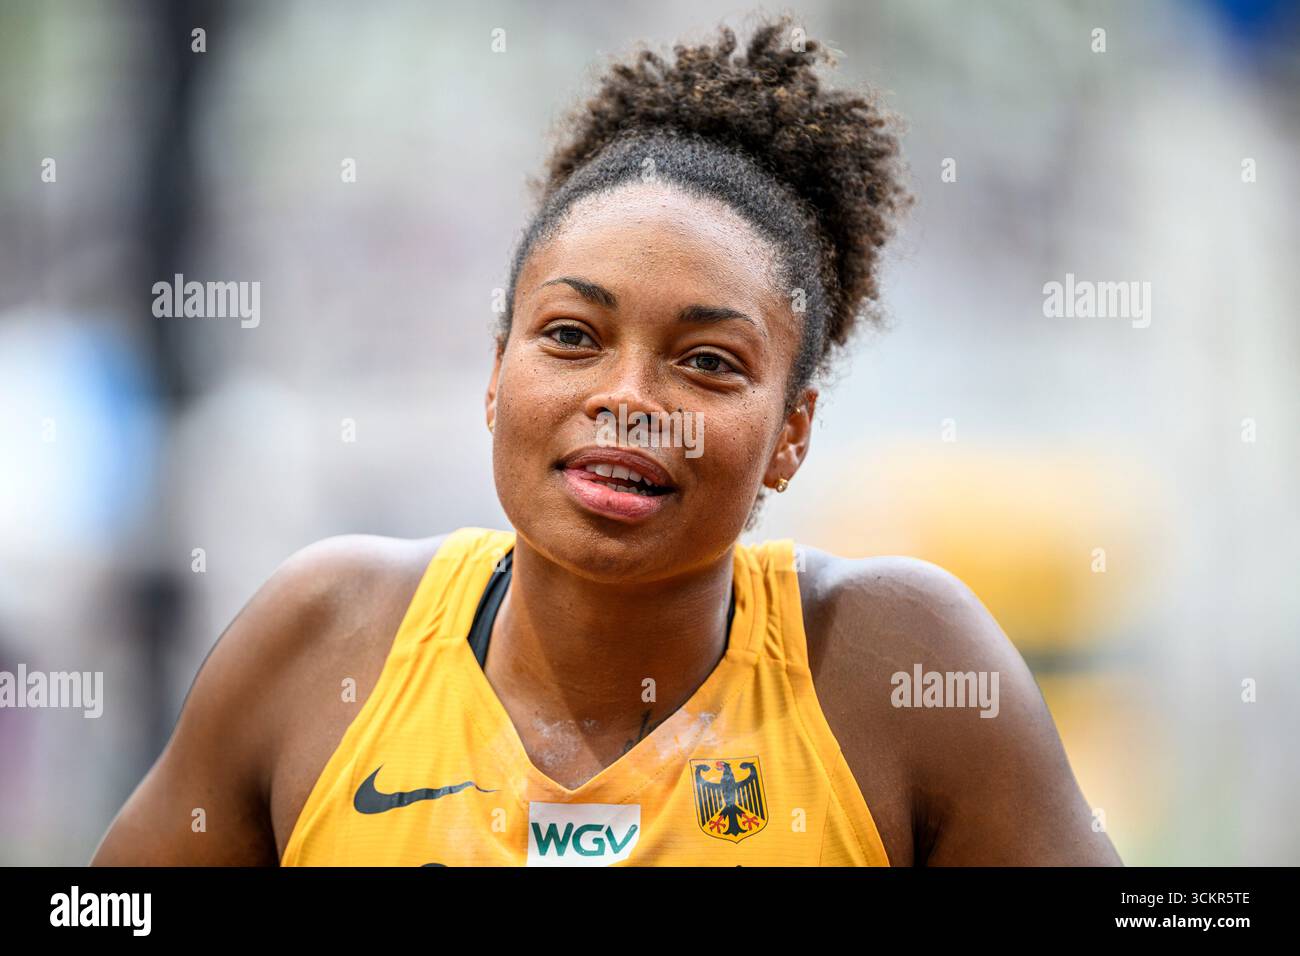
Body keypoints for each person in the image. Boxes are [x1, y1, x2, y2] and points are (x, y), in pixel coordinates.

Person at [92, 17, 1121, 866]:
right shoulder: (324, 642)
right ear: (497, 373)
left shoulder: (895, 668)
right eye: (572, 337)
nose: (629, 399)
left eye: (708, 361)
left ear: (789, 436)